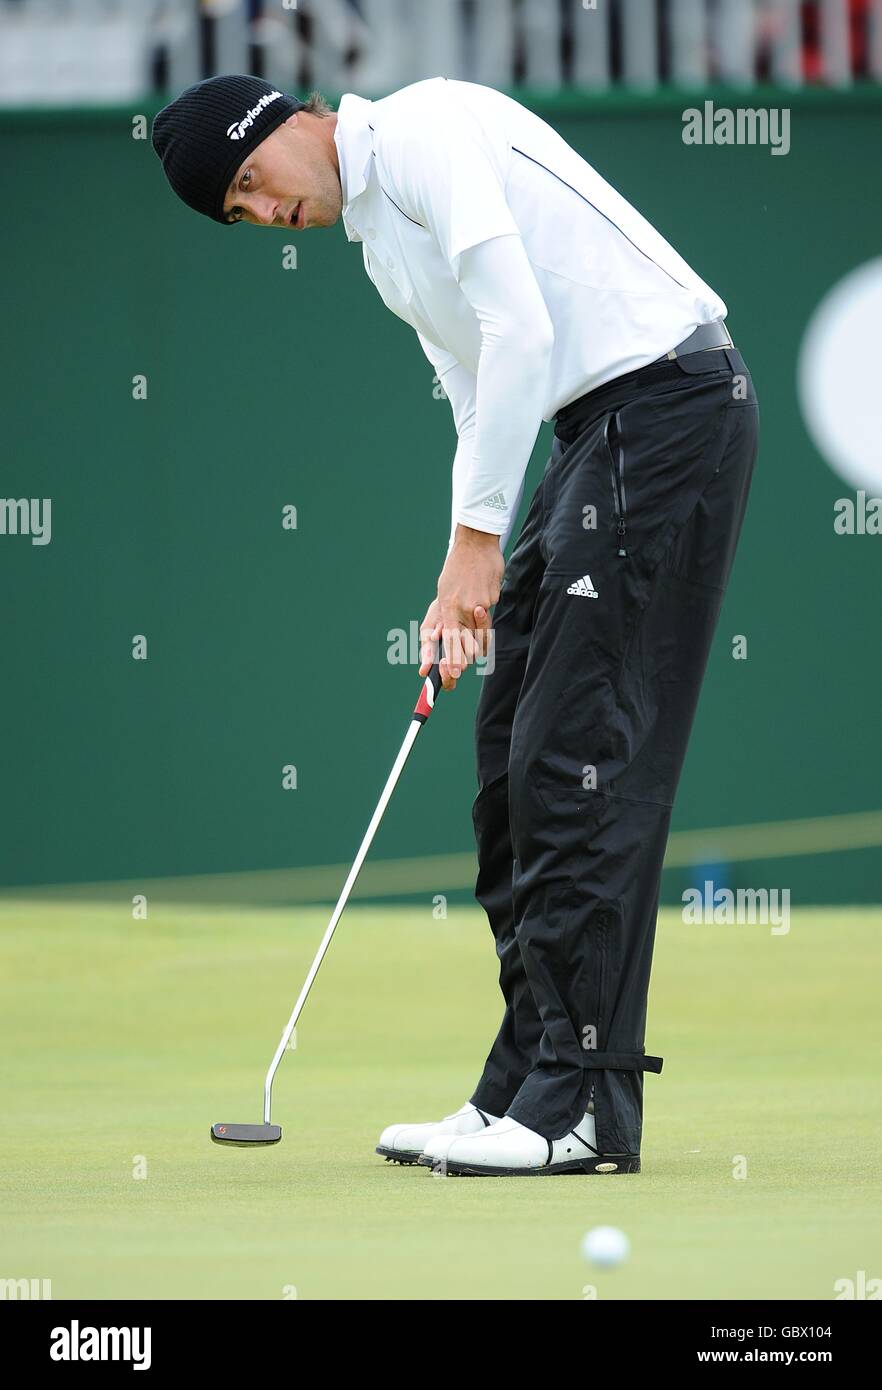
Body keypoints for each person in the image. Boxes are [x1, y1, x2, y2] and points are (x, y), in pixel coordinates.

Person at [153, 73, 758, 1177]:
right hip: (595, 432)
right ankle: (522, 1085)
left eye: (250, 183)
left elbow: (520, 326)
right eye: (239, 215)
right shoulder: (382, 250)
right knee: (505, 766)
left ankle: (581, 1106)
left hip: (669, 403)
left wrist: (482, 546)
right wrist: (456, 576)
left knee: (571, 762)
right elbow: (484, 398)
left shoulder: (424, 126)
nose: (265, 213)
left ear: (287, 121)